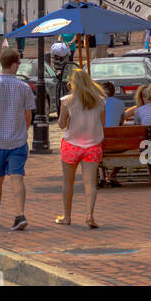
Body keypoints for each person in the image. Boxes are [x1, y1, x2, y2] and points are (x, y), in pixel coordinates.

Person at [0, 47, 34, 231]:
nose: (19, 65)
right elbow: (28, 116)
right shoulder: (24, 88)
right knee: (17, 177)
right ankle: (20, 214)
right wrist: (22, 131)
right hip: (18, 141)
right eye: (18, 62)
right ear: (13, 65)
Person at [56, 69, 106, 228]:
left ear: (73, 83)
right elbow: (102, 124)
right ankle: (90, 216)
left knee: (67, 181)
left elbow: (61, 124)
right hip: (92, 145)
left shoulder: (67, 101)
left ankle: (67, 216)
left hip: (71, 144)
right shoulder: (99, 101)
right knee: (90, 182)